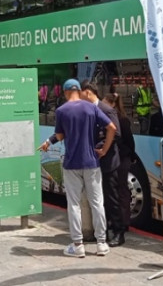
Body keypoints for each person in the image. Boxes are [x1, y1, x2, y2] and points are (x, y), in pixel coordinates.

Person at [39, 79, 117, 258]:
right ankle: (101, 243)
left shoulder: (61, 111)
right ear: (79, 90)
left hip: (71, 164)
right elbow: (111, 127)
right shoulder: (91, 108)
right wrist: (104, 150)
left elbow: (60, 135)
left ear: (65, 92)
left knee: (74, 204)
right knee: (97, 203)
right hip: (92, 162)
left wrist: (48, 142)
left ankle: (78, 245)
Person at [80, 81, 124, 246]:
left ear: (88, 92)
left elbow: (116, 134)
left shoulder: (106, 110)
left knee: (111, 198)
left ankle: (118, 232)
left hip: (107, 162)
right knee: (98, 199)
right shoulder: (86, 110)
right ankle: (102, 231)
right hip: (92, 162)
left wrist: (101, 147)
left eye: (81, 94)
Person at [103, 92, 136, 246]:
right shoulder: (116, 118)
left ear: (113, 104)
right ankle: (118, 222)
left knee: (119, 190)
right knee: (117, 191)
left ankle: (122, 222)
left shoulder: (121, 120)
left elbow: (128, 141)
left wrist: (129, 155)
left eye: (105, 104)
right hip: (119, 158)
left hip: (121, 159)